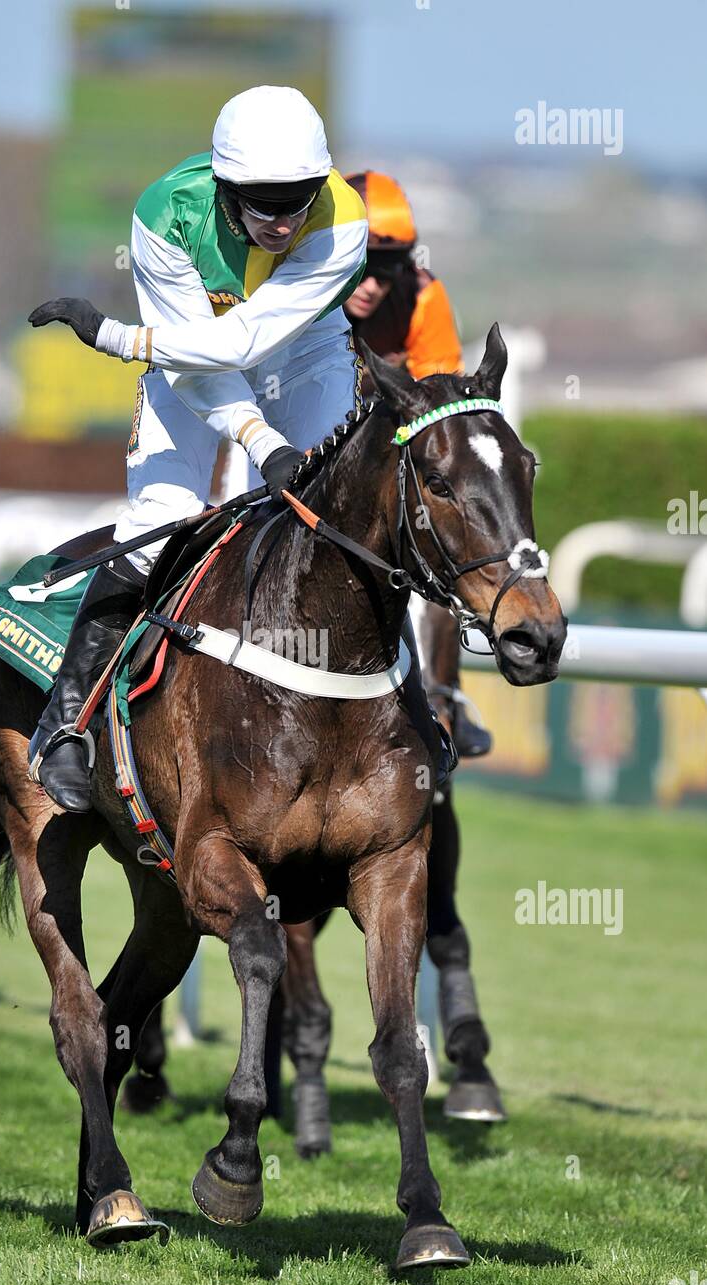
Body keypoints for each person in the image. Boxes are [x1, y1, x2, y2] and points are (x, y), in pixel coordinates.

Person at [26, 86, 369, 812]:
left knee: (341, 515)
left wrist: (114, 337)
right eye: (260, 201)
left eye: (298, 198)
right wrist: (260, 441)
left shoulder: (344, 218)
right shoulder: (162, 215)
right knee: (162, 518)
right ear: (221, 186)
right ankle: (64, 724)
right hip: (187, 363)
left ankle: (407, 699)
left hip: (304, 354)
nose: (281, 220)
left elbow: (247, 341)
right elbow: (200, 365)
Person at [343, 170, 492, 759]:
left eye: (391, 266)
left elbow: (443, 420)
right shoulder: (294, 281)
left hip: (383, 465)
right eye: (364, 264)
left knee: (442, 536)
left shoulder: (424, 295)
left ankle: (442, 698)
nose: (377, 285)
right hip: (284, 453)